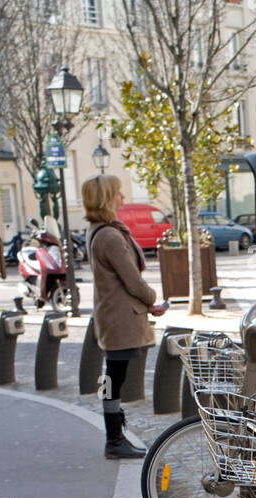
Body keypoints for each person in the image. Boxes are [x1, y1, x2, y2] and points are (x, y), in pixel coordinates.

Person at [81, 174, 167, 459]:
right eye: (118, 193)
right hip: (117, 320)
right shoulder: (109, 235)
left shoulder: (97, 230)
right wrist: (152, 299)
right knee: (113, 379)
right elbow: (132, 280)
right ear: (107, 198)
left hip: (112, 315)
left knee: (112, 378)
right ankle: (114, 439)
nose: (123, 198)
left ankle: (115, 437)